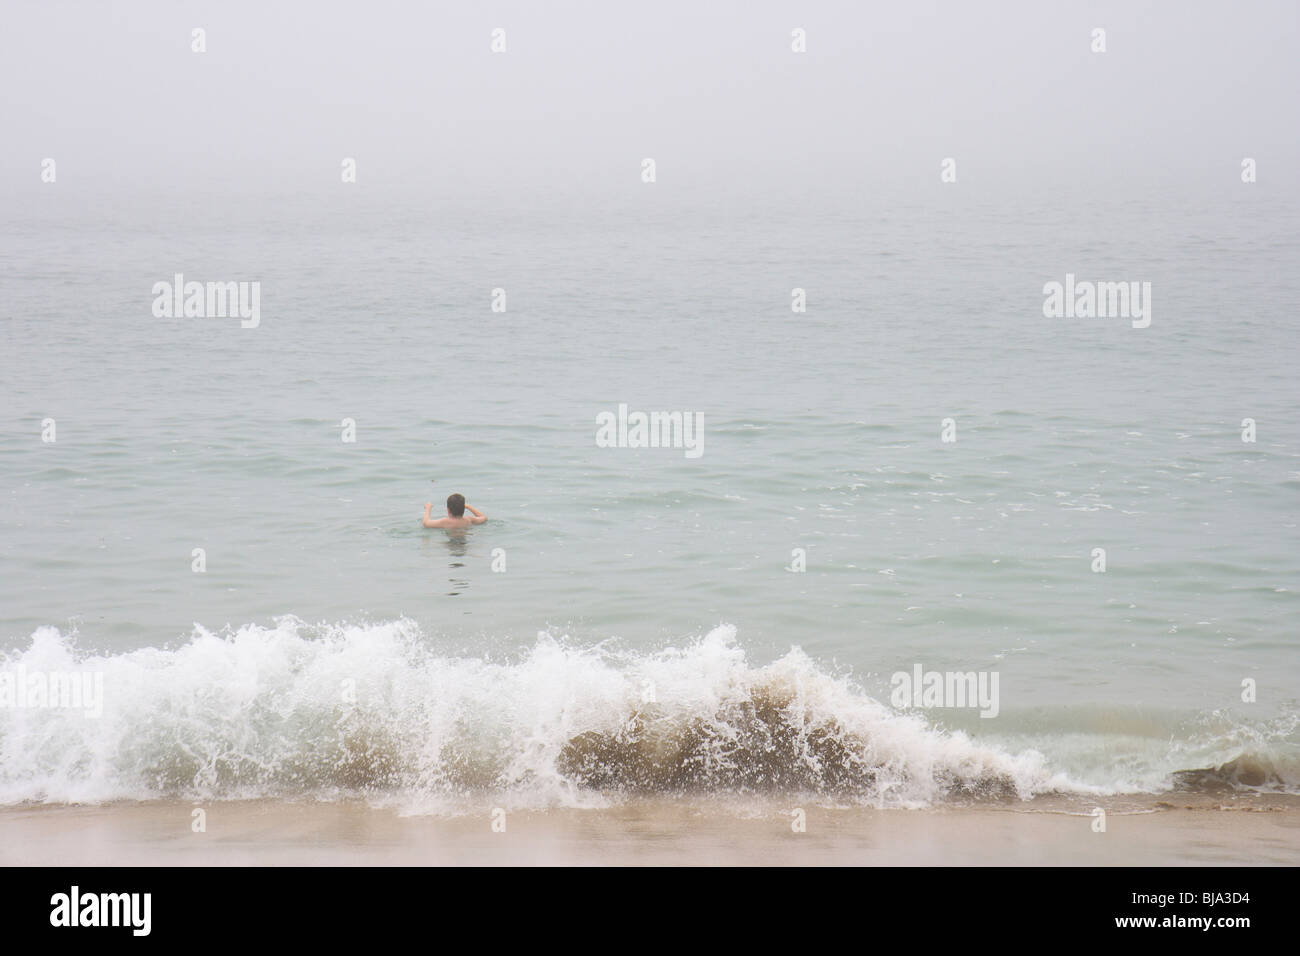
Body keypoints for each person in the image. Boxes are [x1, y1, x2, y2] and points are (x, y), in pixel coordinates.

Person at [422, 493, 487, 529]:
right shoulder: (469, 520)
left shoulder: (445, 522)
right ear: (463, 509)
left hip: (450, 545)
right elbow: (484, 517)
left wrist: (428, 508)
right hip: (464, 543)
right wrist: (468, 506)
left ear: (448, 510)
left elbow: (426, 523)